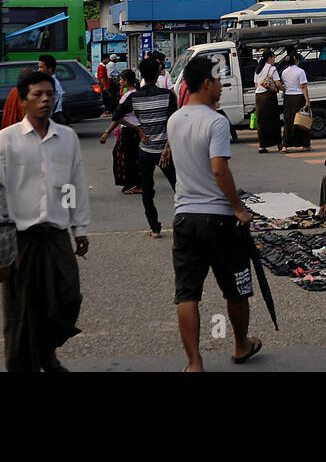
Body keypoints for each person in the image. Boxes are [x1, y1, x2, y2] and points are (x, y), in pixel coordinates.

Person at [0, 71, 90, 372]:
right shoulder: (5, 141)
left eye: (50, 93)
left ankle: (47, 349)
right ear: (22, 101)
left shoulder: (67, 138)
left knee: (68, 297)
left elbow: (75, 183)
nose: (46, 99)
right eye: (38, 94)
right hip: (20, 236)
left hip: (56, 232)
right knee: (23, 309)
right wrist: (2, 240)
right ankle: (24, 365)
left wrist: (79, 227)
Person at [167, 55, 261, 371]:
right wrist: (238, 208)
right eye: (219, 81)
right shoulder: (216, 121)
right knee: (235, 289)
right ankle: (240, 344)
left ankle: (194, 363)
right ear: (207, 83)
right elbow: (219, 170)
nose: (221, 87)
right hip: (219, 220)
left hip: (184, 217)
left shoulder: (175, 119)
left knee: (187, 294)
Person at [110, 57, 178, 236]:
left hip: (146, 150)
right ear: (158, 74)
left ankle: (155, 228)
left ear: (142, 75)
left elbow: (116, 115)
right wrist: (168, 147)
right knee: (179, 188)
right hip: (165, 151)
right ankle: (183, 223)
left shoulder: (135, 97)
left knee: (147, 190)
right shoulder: (167, 95)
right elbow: (173, 123)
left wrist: (139, 128)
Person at [99, 70, 142, 194]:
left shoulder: (130, 96)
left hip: (131, 130)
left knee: (129, 158)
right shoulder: (130, 94)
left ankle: (132, 184)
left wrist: (107, 132)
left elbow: (118, 117)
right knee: (128, 157)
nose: (119, 82)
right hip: (131, 129)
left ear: (126, 81)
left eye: (121, 80)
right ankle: (131, 183)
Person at [280, 50, 311, 153]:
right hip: (298, 98)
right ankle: (304, 145)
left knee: (288, 121)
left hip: (288, 98)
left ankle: (285, 146)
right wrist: (307, 100)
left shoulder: (284, 72)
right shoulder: (300, 71)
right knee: (301, 121)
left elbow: (284, 84)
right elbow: (303, 86)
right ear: (296, 61)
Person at [253, 49, 282, 153]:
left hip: (259, 97)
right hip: (269, 97)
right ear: (269, 58)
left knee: (262, 122)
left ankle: (262, 146)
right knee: (273, 120)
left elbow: (256, 85)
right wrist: (284, 89)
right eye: (273, 57)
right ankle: (278, 143)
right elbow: (278, 84)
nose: (274, 59)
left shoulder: (258, 69)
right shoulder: (272, 69)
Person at [37, 54, 64, 119]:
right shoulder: (46, 82)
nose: (38, 70)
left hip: (53, 117)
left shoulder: (52, 84)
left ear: (49, 69)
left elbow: (54, 102)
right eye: (38, 67)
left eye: (41, 67)